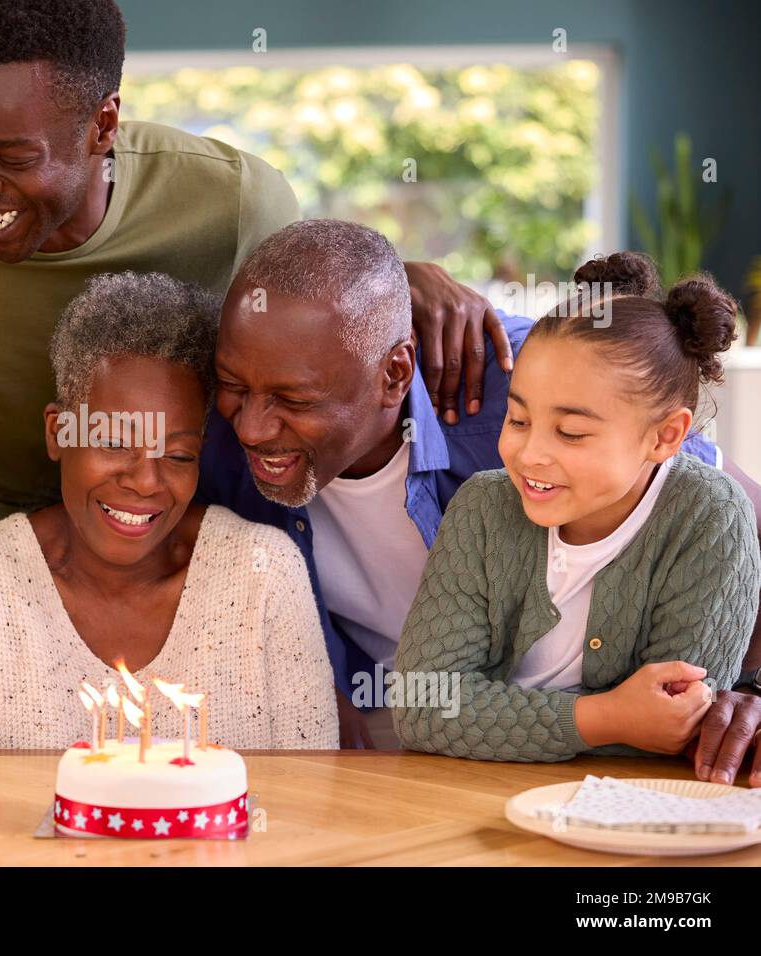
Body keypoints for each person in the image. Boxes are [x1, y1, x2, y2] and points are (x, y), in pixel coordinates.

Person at [0, 0, 511, 747]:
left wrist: (406, 280)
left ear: (103, 127)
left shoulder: (229, 201)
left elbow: (322, 293)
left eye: (12, 157)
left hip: (146, 493)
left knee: (136, 755)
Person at [198, 221, 760, 774]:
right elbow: (429, 708)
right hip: (413, 727)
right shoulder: (214, 439)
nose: (250, 426)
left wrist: (753, 688)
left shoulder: (515, 373)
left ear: (396, 372)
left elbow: (678, 712)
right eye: (233, 387)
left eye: (292, 398)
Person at [0, 272, 338, 749]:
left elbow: (311, 796)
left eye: (178, 456)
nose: (146, 481)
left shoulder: (265, 573)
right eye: (114, 443)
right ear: (58, 432)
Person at [392, 254, 760, 760]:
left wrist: (493, 716)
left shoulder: (709, 520)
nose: (529, 454)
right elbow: (421, 707)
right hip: (471, 797)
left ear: (665, 436)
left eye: (570, 432)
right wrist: (608, 717)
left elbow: (674, 724)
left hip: (626, 813)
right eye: (517, 420)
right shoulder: (481, 507)